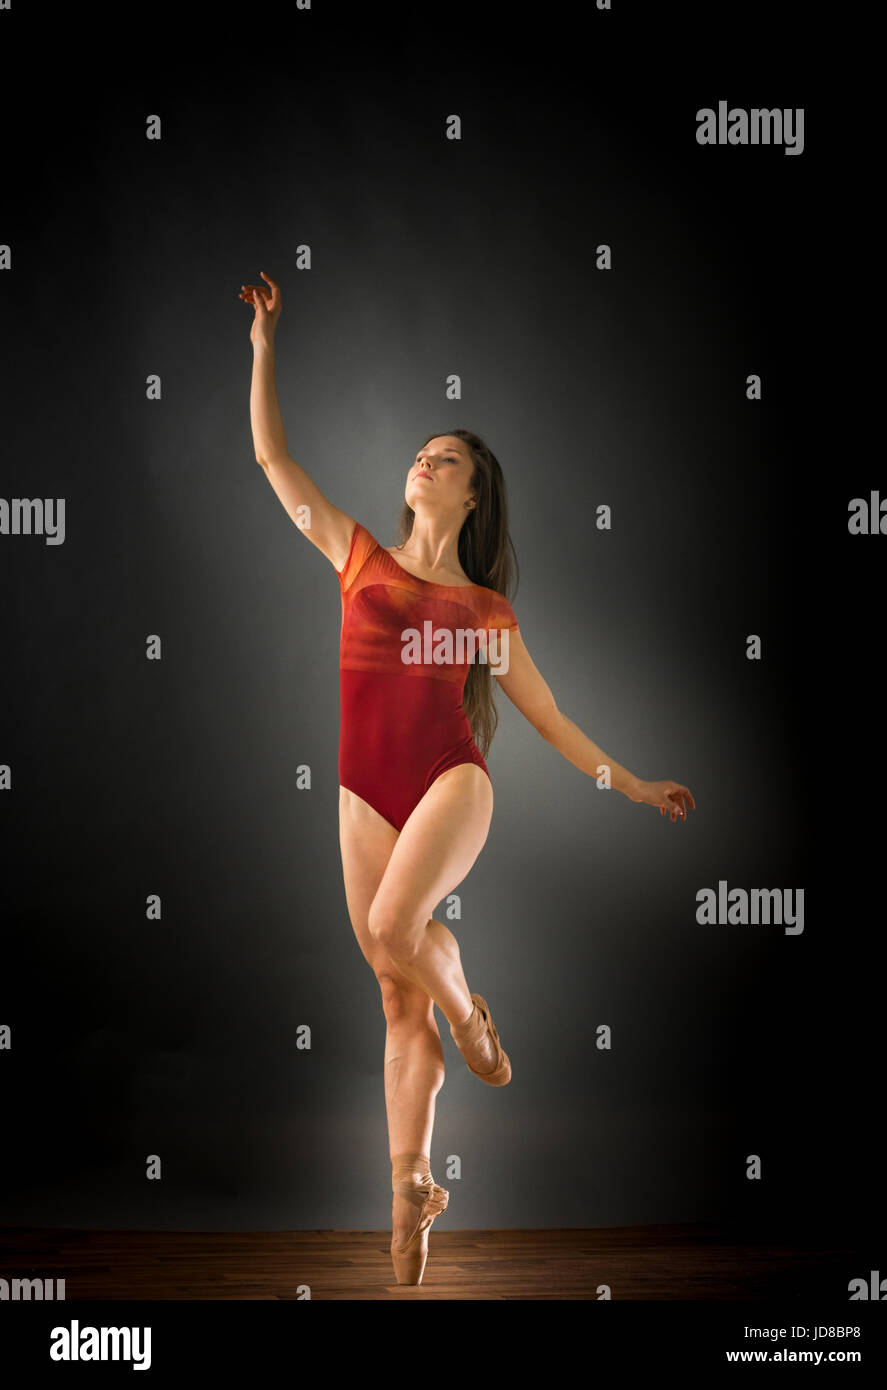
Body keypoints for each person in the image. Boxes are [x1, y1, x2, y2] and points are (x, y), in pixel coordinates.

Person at [240, 271, 695, 1286]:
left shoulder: (485, 609)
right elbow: (273, 457)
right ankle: (409, 1198)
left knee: (397, 936)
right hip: (362, 790)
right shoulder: (356, 555)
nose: (422, 460)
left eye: (441, 459)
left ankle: (470, 1015)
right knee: (396, 1003)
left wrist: (630, 785)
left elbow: (545, 715)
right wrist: (266, 345)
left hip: (451, 780)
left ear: (469, 491)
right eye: (419, 453)